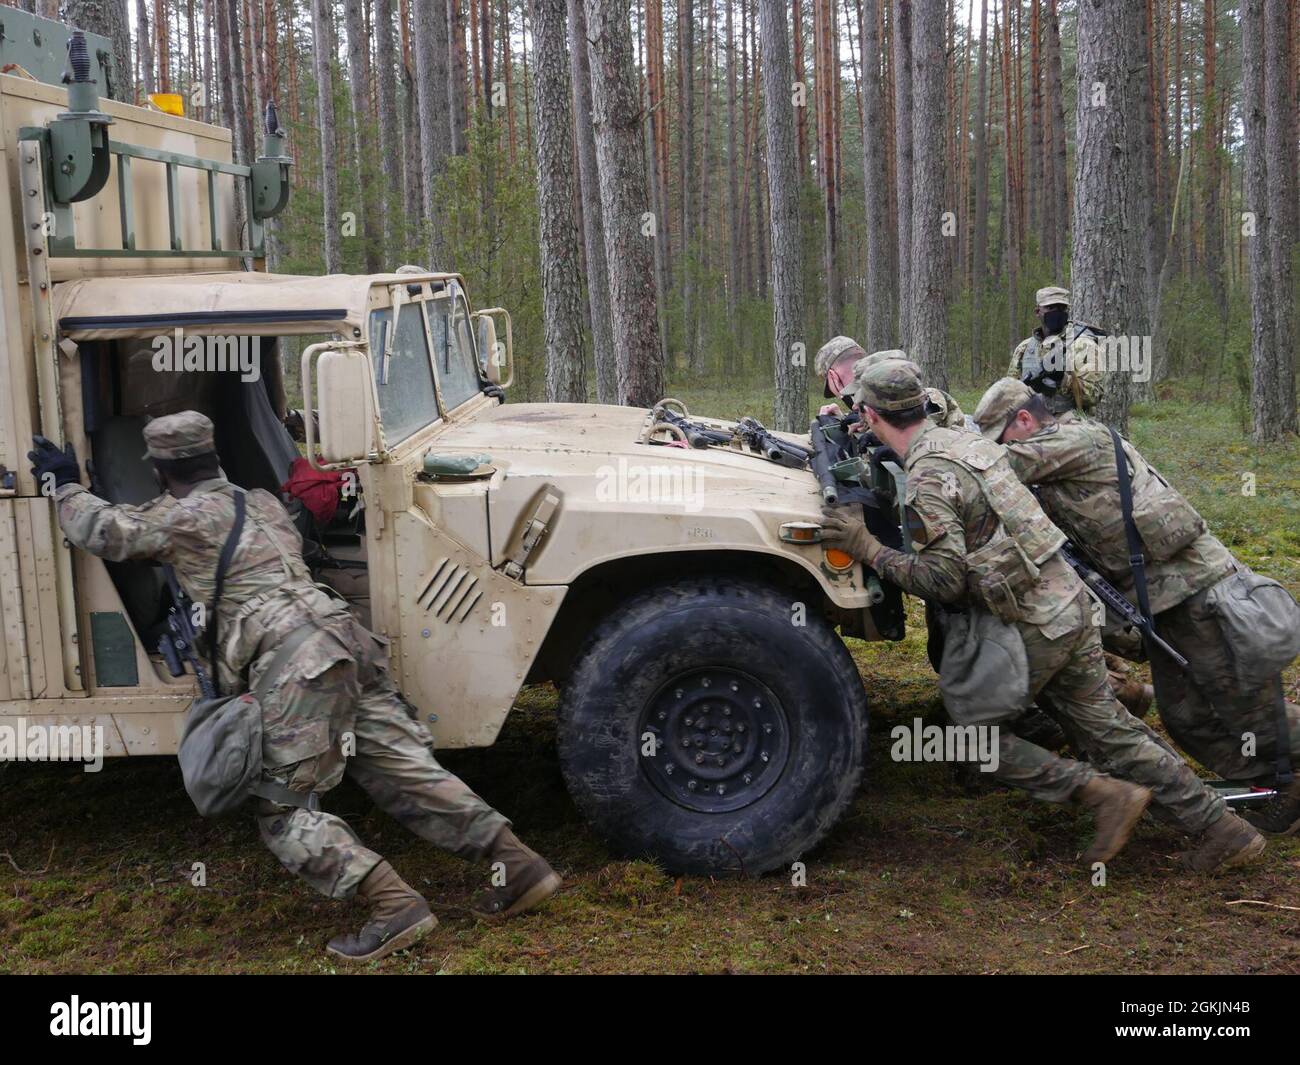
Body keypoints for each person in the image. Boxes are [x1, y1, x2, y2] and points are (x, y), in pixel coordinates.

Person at [28, 413, 561, 962]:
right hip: (346, 639)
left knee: (282, 806)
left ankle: (392, 905)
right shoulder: (261, 504)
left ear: (163, 473)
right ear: (214, 460)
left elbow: (106, 532)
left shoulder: (183, 518)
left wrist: (64, 483)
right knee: (405, 771)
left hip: (296, 663)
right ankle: (519, 867)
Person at [818, 361, 1265, 871]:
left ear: (872, 416)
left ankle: (1099, 794)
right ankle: (1222, 827)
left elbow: (944, 580)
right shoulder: (970, 446)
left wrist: (868, 549)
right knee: (1109, 729)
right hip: (1069, 604)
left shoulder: (929, 476)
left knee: (970, 736)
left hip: (1030, 622)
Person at [972, 378, 1300, 834]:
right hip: (1164, 601)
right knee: (1186, 718)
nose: (1001, 446)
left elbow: (990, 468)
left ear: (1024, 420)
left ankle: (1281, 778)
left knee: (1252, 713)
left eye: (1002, 436)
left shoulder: (1073, 439)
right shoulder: (1057, 447)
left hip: (1197, 591)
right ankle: (1276, 785)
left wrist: (925, 443)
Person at [814, 337, 966, 429]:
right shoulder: (878, 398)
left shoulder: (928, 400)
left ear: (833, 377)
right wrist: (842, 419)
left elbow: (910, 428)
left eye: (832, 390)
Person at [1006, 286, 1105, 418]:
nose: (1057, 312)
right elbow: (1009, 394)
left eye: (1062, 308)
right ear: (1037, 311)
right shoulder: (1024, 349)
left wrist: (1063, 379)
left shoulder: (1083, 345)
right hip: (1030, 426)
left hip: (1072, 428)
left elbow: (1094, 396)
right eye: (1051, 308)